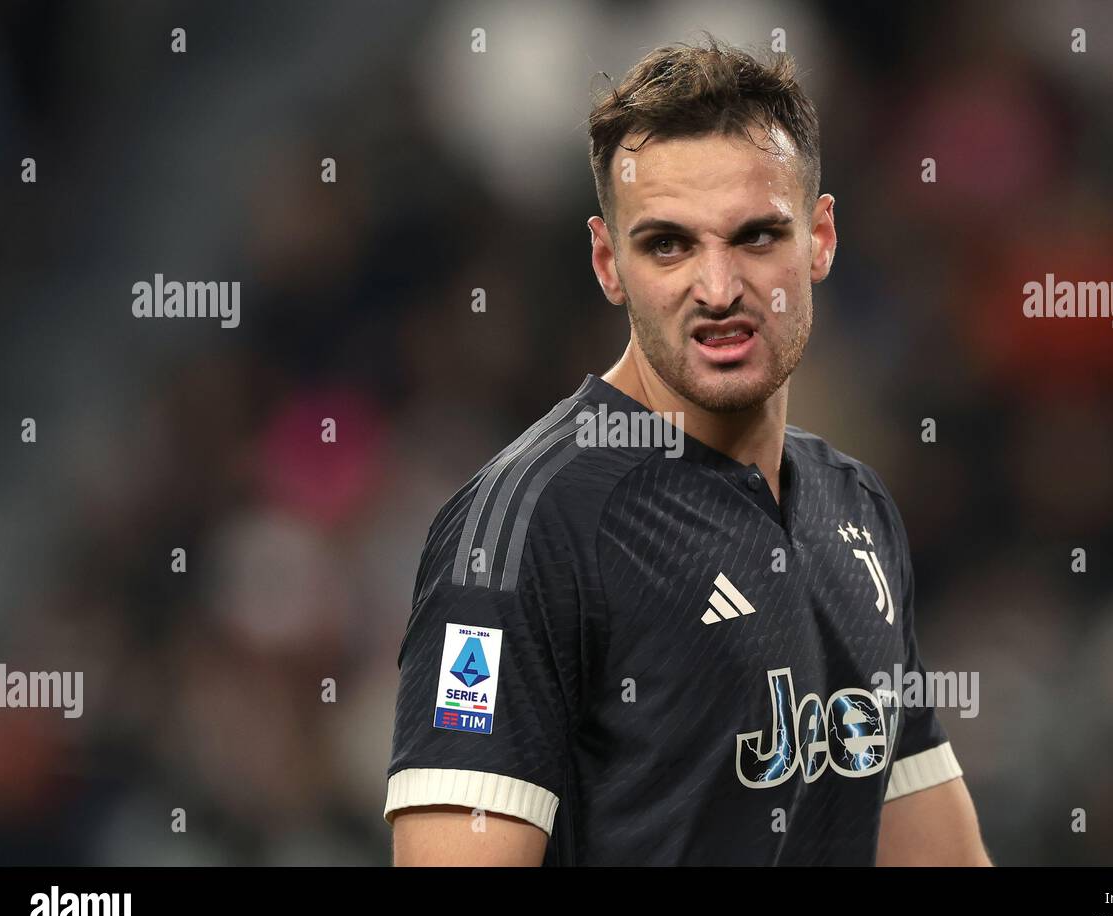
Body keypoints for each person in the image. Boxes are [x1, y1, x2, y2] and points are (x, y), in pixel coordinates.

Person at [386, 36, 991, 865]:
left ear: (819, 239)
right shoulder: (526, 532)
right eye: (668, 244)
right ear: (608, 262)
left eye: (754, 237)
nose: (716, 288)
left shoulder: (858, 509)